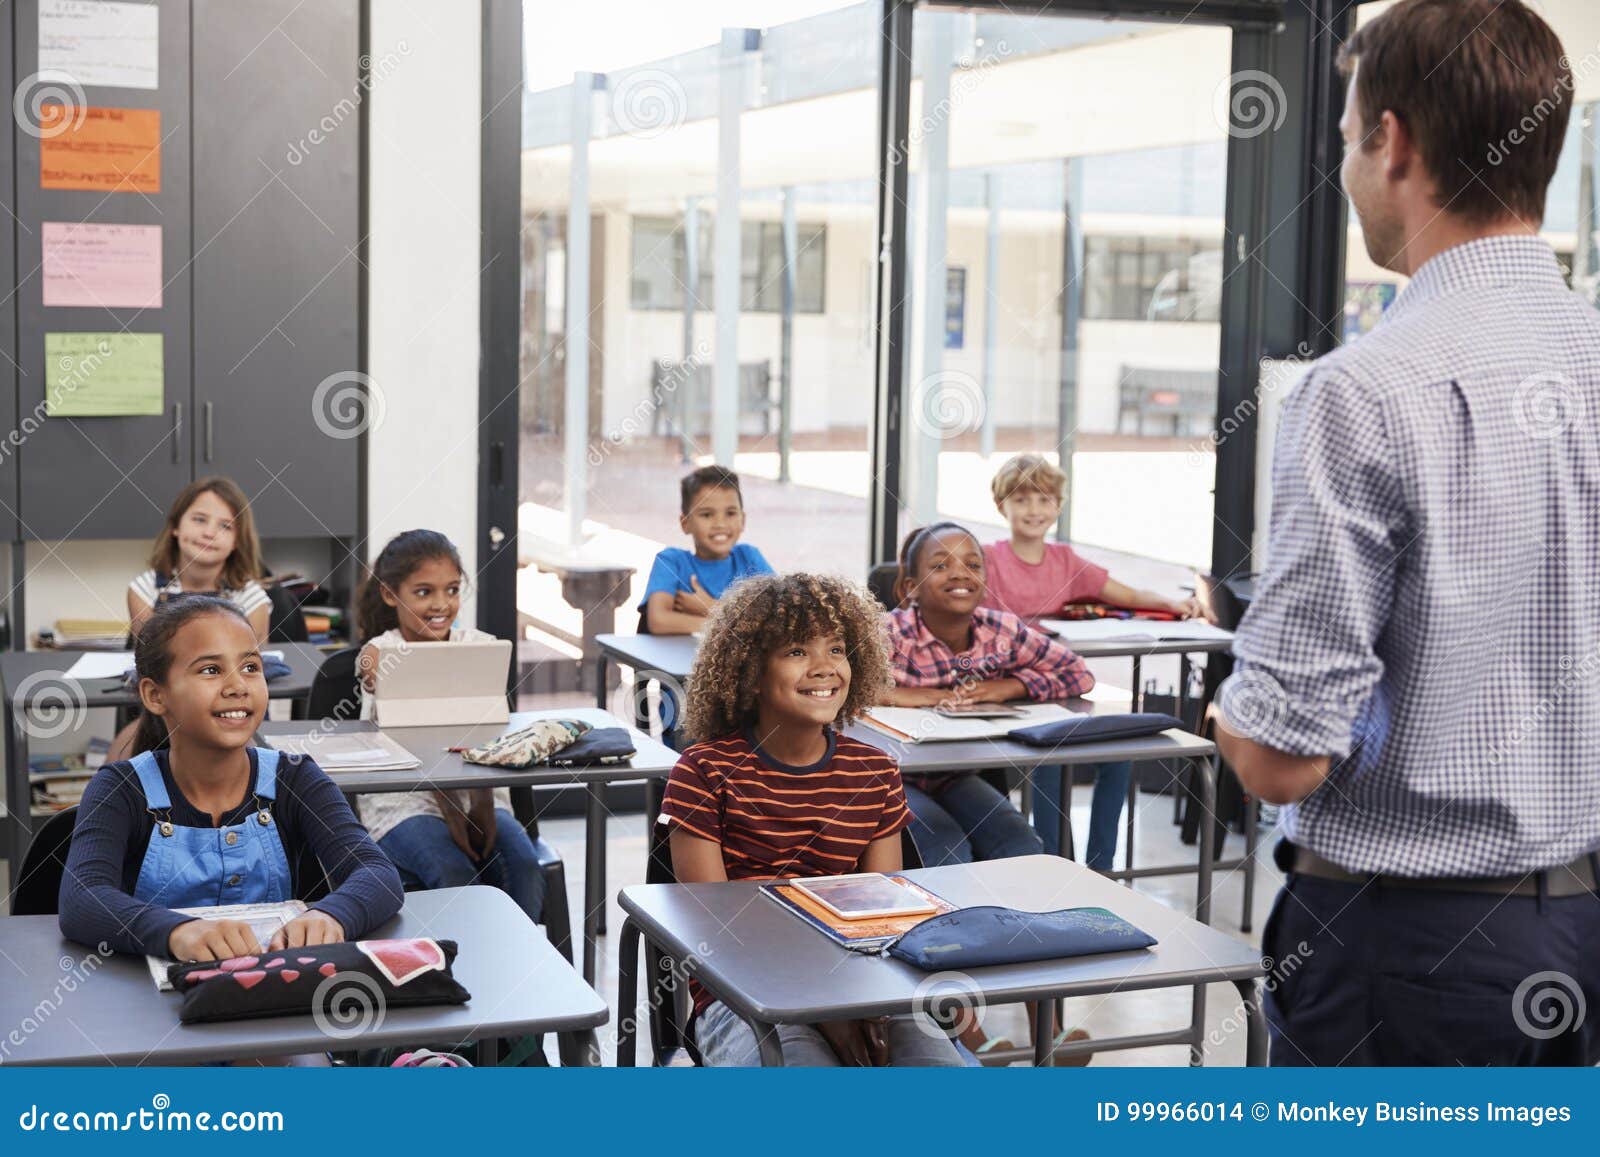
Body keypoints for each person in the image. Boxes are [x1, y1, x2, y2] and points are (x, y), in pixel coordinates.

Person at [1210, 0, 1600, 1066]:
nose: (1343, 167)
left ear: (1394, 142)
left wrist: (1232, 707)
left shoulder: (1365, 391)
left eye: (1343, 139)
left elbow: (1283, 758)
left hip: (1406, 957)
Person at [661, 572, 962, 1066]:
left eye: (837, 649)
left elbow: (879, 916)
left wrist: (876, 999)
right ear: (751, 671)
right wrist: (827, 1014)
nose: (824, 668)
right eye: (797, 652)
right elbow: (720, 934)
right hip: (744, 994)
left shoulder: (875, 771)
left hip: (864, 986)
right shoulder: (703, 772)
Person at [59, 597, 403, 962]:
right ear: (155, 695)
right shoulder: (120, 789)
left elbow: (378, 874)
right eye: (210, 670)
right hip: (152, 1006)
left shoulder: (296, 778)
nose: (238, 686)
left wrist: (331, 914)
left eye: (251, 667)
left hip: (275, 994)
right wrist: (175, 931)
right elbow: (82, 899)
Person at [982, 453, 1196, 867]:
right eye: (1022, 499)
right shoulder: (987, 558)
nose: (1034, 510)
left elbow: (1126, 596)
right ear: (1001, 506)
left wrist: (1174, 602)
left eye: (1044, 500)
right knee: (1052, 757)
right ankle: (1055, 865)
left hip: (1060, 686)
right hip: (1010, 691)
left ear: (1058, 507)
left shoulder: (1065, 560)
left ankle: (1100, 869)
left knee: (1118, 757)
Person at [354, 530, 545, 925]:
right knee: (455, 871)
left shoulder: (480, 646)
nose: (441, 604)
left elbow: (492, 736)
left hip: (478, 790)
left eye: (452, 589)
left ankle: (519, 965)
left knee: (523, 864)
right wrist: (373, 671)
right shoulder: (386, 650)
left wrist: (481, 807)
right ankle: (461, 971)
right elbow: (369, 662)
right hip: (402, 803)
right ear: (391, 595)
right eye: (423, 592)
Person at [884, 522, 1092, 866]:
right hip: (891, 777)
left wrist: (1011, 686)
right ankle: (959, 921)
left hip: (953, 775)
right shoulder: (887, 633)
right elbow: (833, 685)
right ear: (911, 588)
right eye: (940, 565)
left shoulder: (1002, 630)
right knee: (947, 849)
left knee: (1021, 844)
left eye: (973, 565)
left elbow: (1078, 673)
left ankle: (1016, 921)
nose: (959, 574)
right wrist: (897, 694)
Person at [127, 476, 271, 641]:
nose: (209, 533)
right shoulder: (143, 590)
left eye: (225, 526)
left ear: (237, 542)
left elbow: (252, 663)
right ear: (176, 526)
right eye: (200, 519)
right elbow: (151, 660)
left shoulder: (252, 598)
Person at [638, 465, 775, 636]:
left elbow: (777, 617)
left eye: (730, 513)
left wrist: (709, 606)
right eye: (707, 515)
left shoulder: (749, 558)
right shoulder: (672, 562)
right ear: (685, 523)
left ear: (743, 520)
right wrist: (737, 624)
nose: (720, 524)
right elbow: (659, 621)